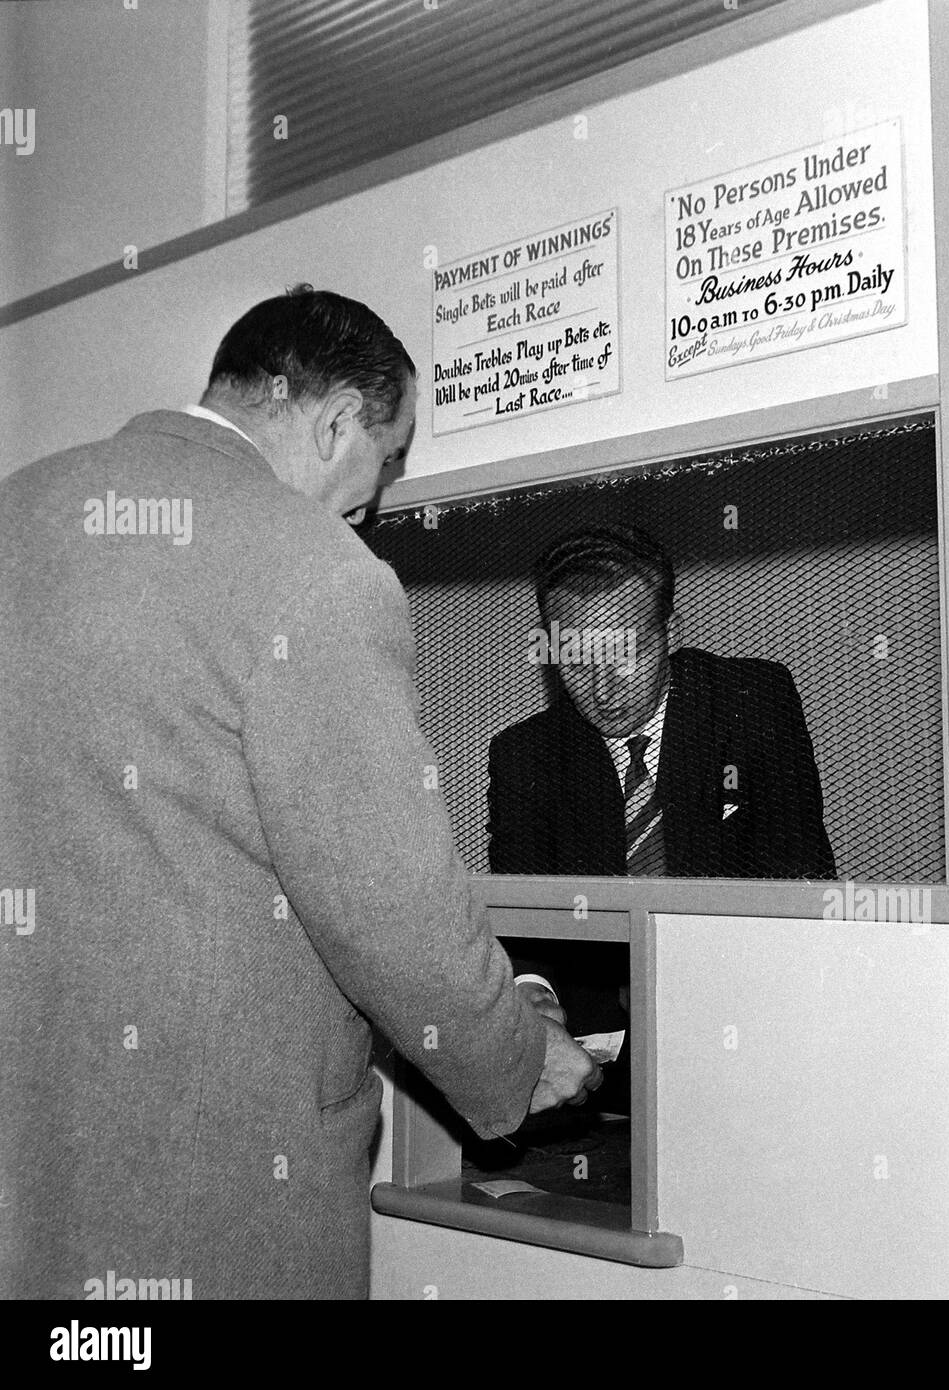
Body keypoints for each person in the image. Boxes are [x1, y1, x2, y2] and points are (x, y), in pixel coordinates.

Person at [0, 285, 599, 1301]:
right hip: (205, 1192)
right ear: (331, 424)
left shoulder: (20, 510)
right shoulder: (317, 571)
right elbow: (388, 909)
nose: (369, 516)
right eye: (375, 477)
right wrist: (516, 1058)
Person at [487, 523, 835, 1051]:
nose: (604, 690)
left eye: (626, 653)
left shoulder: (751, 703)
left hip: (749, 1014)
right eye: (577, 660)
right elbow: (519, 914)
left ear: (668, 628)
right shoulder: (525, 755)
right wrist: (531, 990)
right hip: (594, 1045)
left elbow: (800, 881)